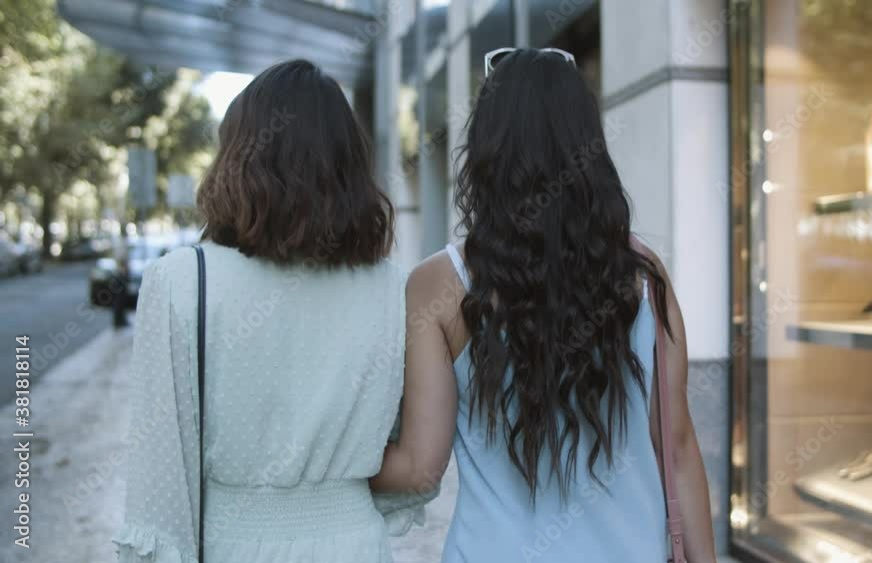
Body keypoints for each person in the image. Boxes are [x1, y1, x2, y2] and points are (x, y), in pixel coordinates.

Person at [371, 48, 717, 562]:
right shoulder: (643, 277)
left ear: (487, 149)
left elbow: (421, 468)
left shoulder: (438, 284)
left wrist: (326, 461)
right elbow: (679, 445)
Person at [115, 59, 423, 563]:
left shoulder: (181, 281)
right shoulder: (392, 288)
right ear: (349, 164)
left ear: (237, 158)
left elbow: (160, 480)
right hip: (356, 543)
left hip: (232, 543)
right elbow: (403, 457)